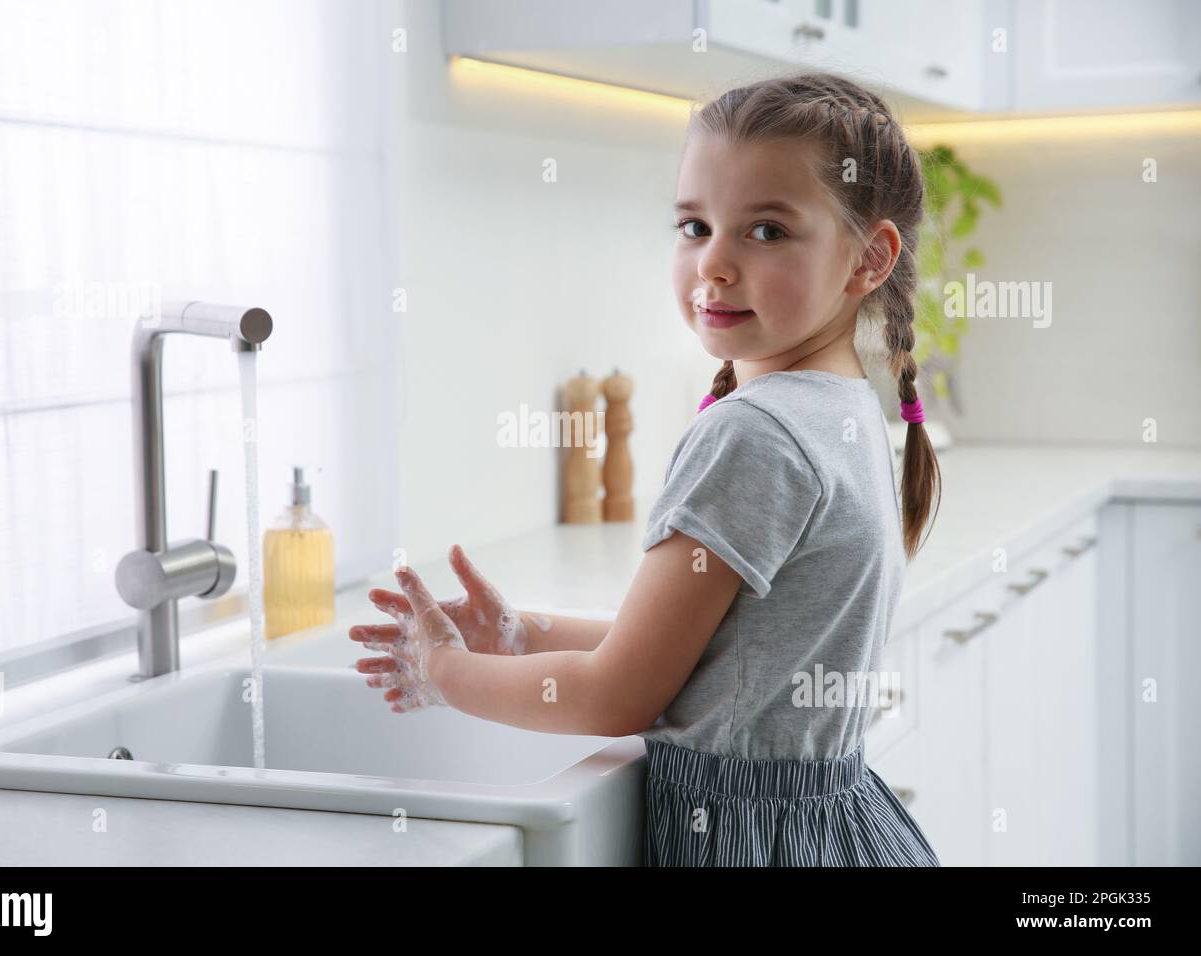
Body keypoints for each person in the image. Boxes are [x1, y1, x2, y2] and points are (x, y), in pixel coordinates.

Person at [351, 71, 942, 867]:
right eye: (695, 226)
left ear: (868, 259)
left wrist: (443, 670)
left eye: (765, 231)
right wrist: (524, 636)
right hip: (833, 828)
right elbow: (725, 657)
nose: (715, 266)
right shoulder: (841, 409)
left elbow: (619, 694)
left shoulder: (755, 434)